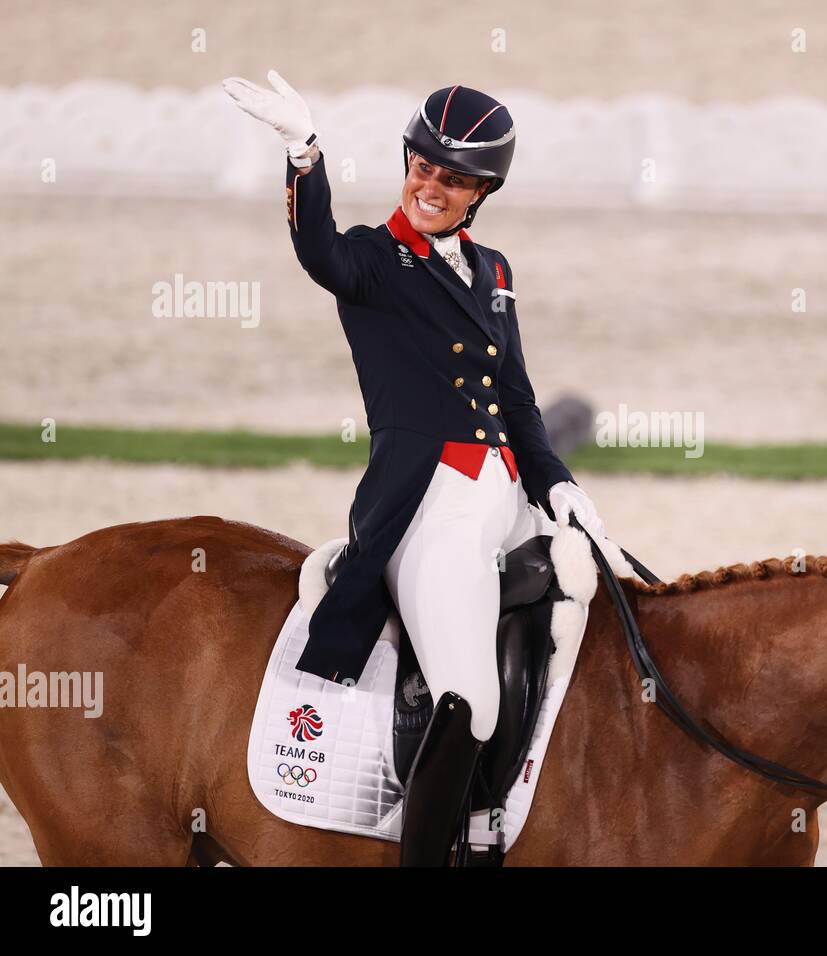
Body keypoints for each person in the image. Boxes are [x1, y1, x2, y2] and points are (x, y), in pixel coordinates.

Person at [223, 72, 607, 865]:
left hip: (508, 501)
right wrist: (304, 151)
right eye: (423, 168)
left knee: (594, 617)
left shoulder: (495, 271)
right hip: (428, 506)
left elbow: (517, 404)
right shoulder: (372, 260)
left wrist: (559, 486)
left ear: (481, 191)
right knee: (470, 701)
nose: (432, 187)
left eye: (454, 178)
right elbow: (315, 246)